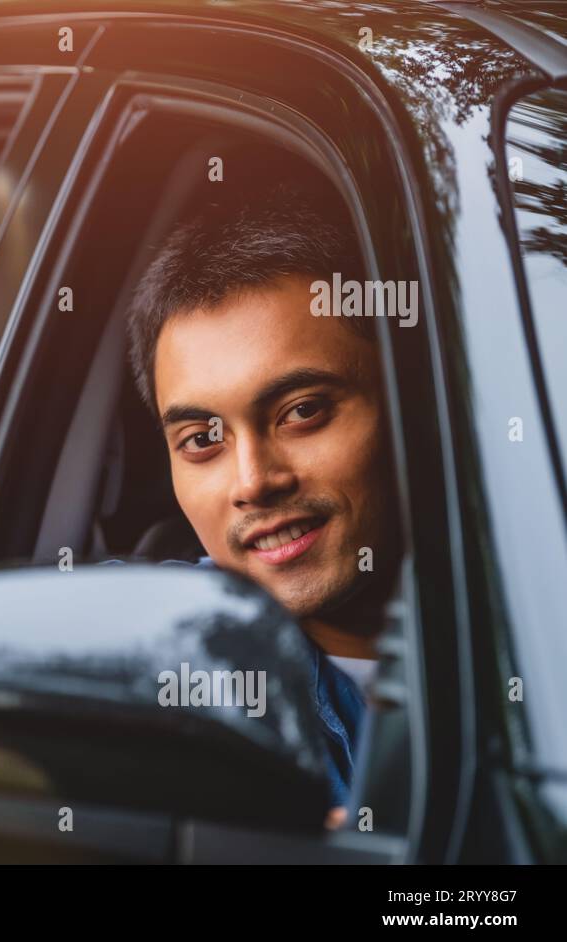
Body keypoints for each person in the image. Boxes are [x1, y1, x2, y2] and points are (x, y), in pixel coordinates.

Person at [124, 184, 402, 821]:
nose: (253, 481)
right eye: (200, 440)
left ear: (412, 400)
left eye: (302, 412)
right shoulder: (154, 658)